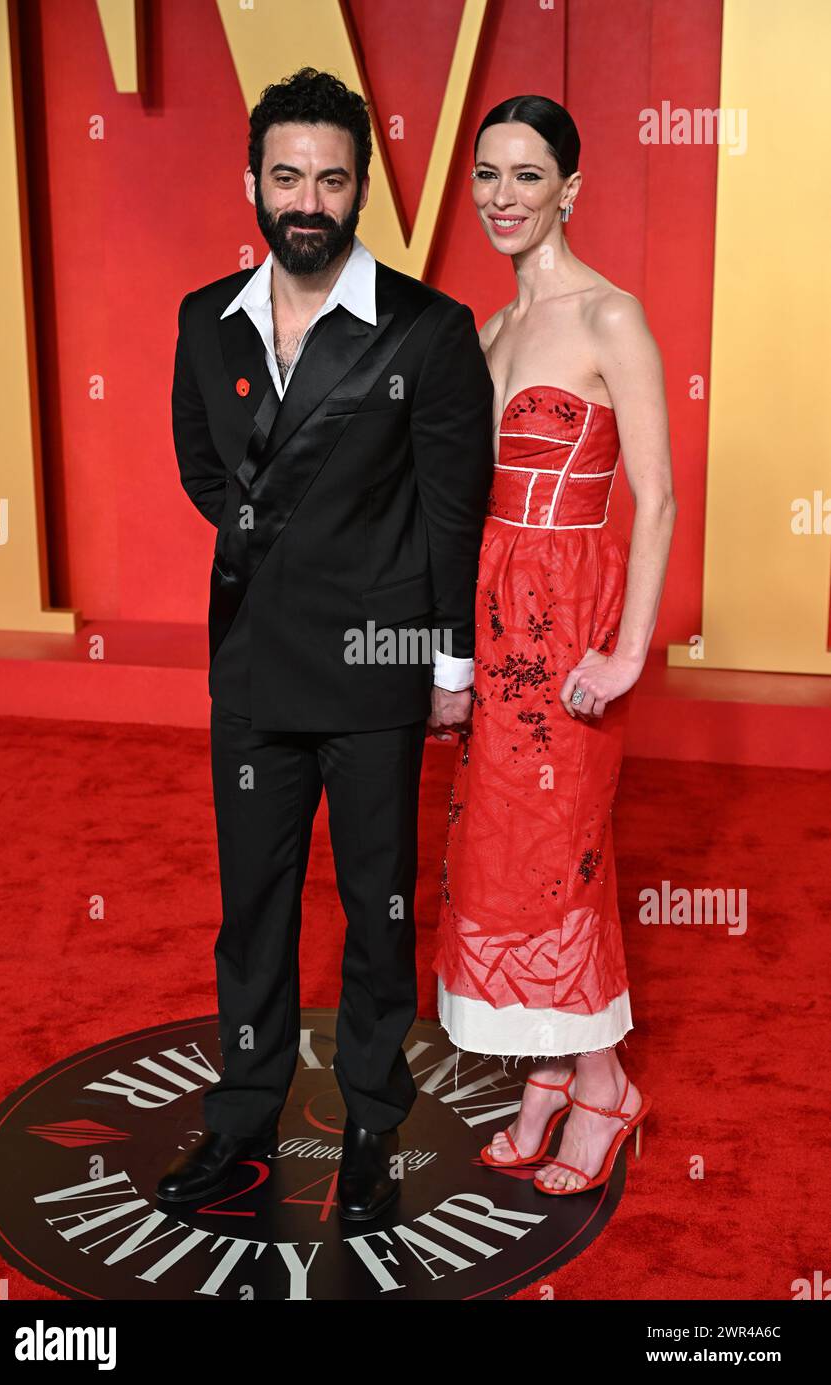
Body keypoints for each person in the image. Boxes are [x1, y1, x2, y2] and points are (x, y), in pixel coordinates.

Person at [157, 67, 493, 1220]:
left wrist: (448, 664)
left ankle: (368, 1124)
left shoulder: (429, 330)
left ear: (361, 194)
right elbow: (209, 471)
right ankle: (243, 1120)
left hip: (378, 668)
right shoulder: (207, 320)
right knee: (251, 907)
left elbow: (454, 510)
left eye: (331, 179)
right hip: (252, 664)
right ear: (251, 181)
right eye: (286, 175)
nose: (307, 199)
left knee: (375, 903)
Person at [435, 95, 676, 1195]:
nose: (501, 197)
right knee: (501, 845)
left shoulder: (609, 317)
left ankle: (604, 1083)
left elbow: (658, 496)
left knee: (558, 846)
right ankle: (545, 1071)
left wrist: (628, 653)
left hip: (569, 611)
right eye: (487, 174)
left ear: (568, 189)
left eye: (526, 176)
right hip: (494, 615)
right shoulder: (486, 330)